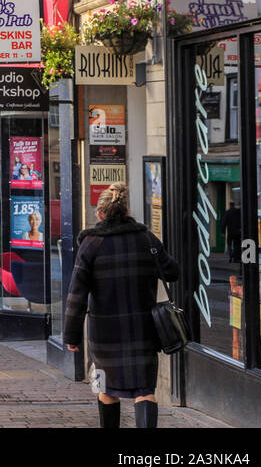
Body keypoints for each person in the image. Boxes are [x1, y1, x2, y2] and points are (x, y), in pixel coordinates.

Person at [63, 184, 179, 429]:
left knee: (105, 389)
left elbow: (77, 295)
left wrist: (71, 335)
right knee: (145, 389)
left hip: (104, 335)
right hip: (142, 330)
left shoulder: (91, 244)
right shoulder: (146, 238)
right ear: (126, 212)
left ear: (100, 214)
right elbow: (172, 272)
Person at [224, 199, 242, 263]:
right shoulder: (238, 211)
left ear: (229, 205)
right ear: (234, 205)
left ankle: (231, 255)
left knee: (229, 244)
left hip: (230, 232)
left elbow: (224, 222)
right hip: (237, 231)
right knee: (236, 244)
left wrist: (223, 231)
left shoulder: (227, 212)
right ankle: (235, 257)